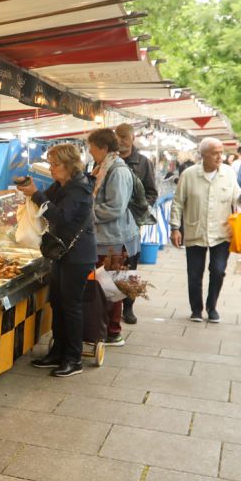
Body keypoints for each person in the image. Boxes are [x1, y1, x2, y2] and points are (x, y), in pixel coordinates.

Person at [17, 143, 97, 376]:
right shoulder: (63, 184)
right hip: (62, 253)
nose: (51, 169)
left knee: (70, 307)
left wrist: (36, 195)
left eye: (55, 164)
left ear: (69, 165)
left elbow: (59, 216)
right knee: (58, 304)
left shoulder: (79, 188)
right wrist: (30, 190)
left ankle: (74, 359)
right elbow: (45, 202)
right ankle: (58, 352)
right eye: (50, 164)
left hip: (77, 255)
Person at [170, 138, 241, 323]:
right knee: (194, 273)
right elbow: (178, 202)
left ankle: (212, 306)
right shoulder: (189, 175)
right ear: (204, 155)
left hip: (222, 232)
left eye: (221, 152)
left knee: (218, 270)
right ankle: (196, 309)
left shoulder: (229, 173)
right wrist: (175, 227)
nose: (220, 156)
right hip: (195, 230)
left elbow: (236, 198)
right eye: (215, 153)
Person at [88, 129, 143, 339]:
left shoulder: (117, 171)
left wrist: (87, 213)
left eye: (92, 148)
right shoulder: (103, 167)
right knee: (105, 286)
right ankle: (104, 329)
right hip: (106, 237)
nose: (90, 152)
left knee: (111, 288)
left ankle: (112, 332)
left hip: (114, 239)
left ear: (103, 148)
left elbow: (115, 207)